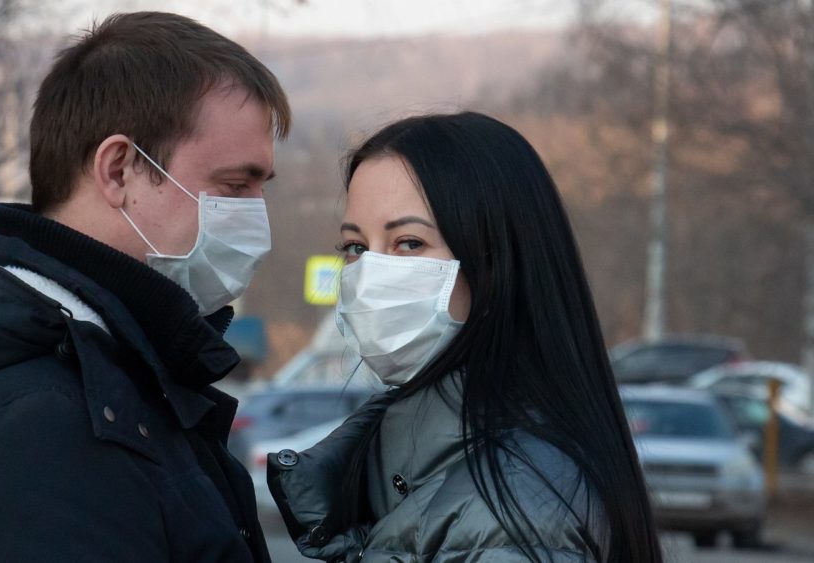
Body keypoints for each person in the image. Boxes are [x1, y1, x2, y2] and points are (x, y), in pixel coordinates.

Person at [0, 12, 290, 562]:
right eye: (234, 185)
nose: (257, 218)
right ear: (119, 170)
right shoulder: (40, 428)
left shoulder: (115, 378)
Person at [268, 112, 662, 562]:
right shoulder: (408, 456)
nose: (370, 274)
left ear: (495, 263)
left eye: (409, 243)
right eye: (356, 247)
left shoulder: (514, 502)